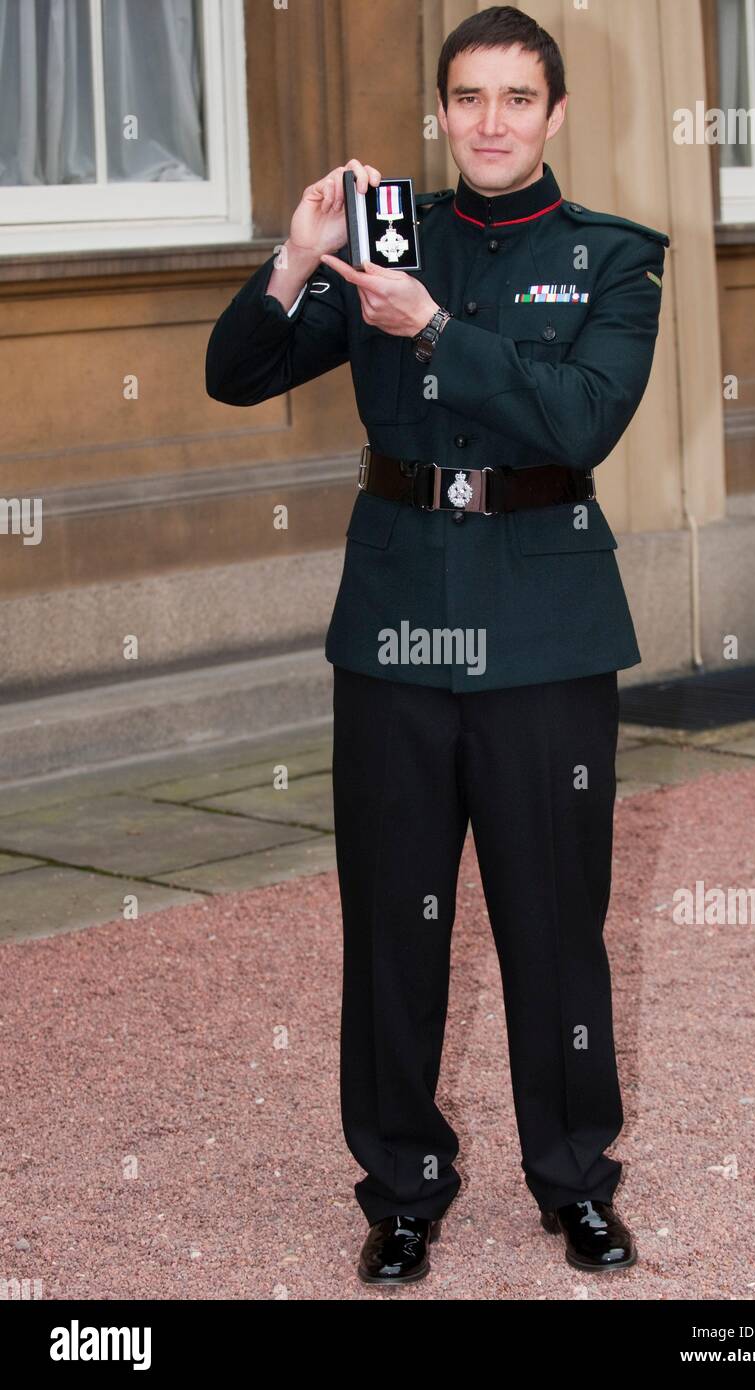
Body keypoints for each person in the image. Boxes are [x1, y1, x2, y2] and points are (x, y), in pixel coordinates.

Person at [206, 4, 669, 1286]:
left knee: (555, 922)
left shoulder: (615, 259)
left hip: (545, 627)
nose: (489, 122)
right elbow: (234, 373)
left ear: (555, 113)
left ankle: (574, 1179)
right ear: (443, 108)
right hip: (396, 621)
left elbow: (578, 419)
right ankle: (402, 1186)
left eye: (516, 98)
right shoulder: (379, 241)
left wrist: (430, 330)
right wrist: (300, 259)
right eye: (467, 97)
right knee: (392, 926)